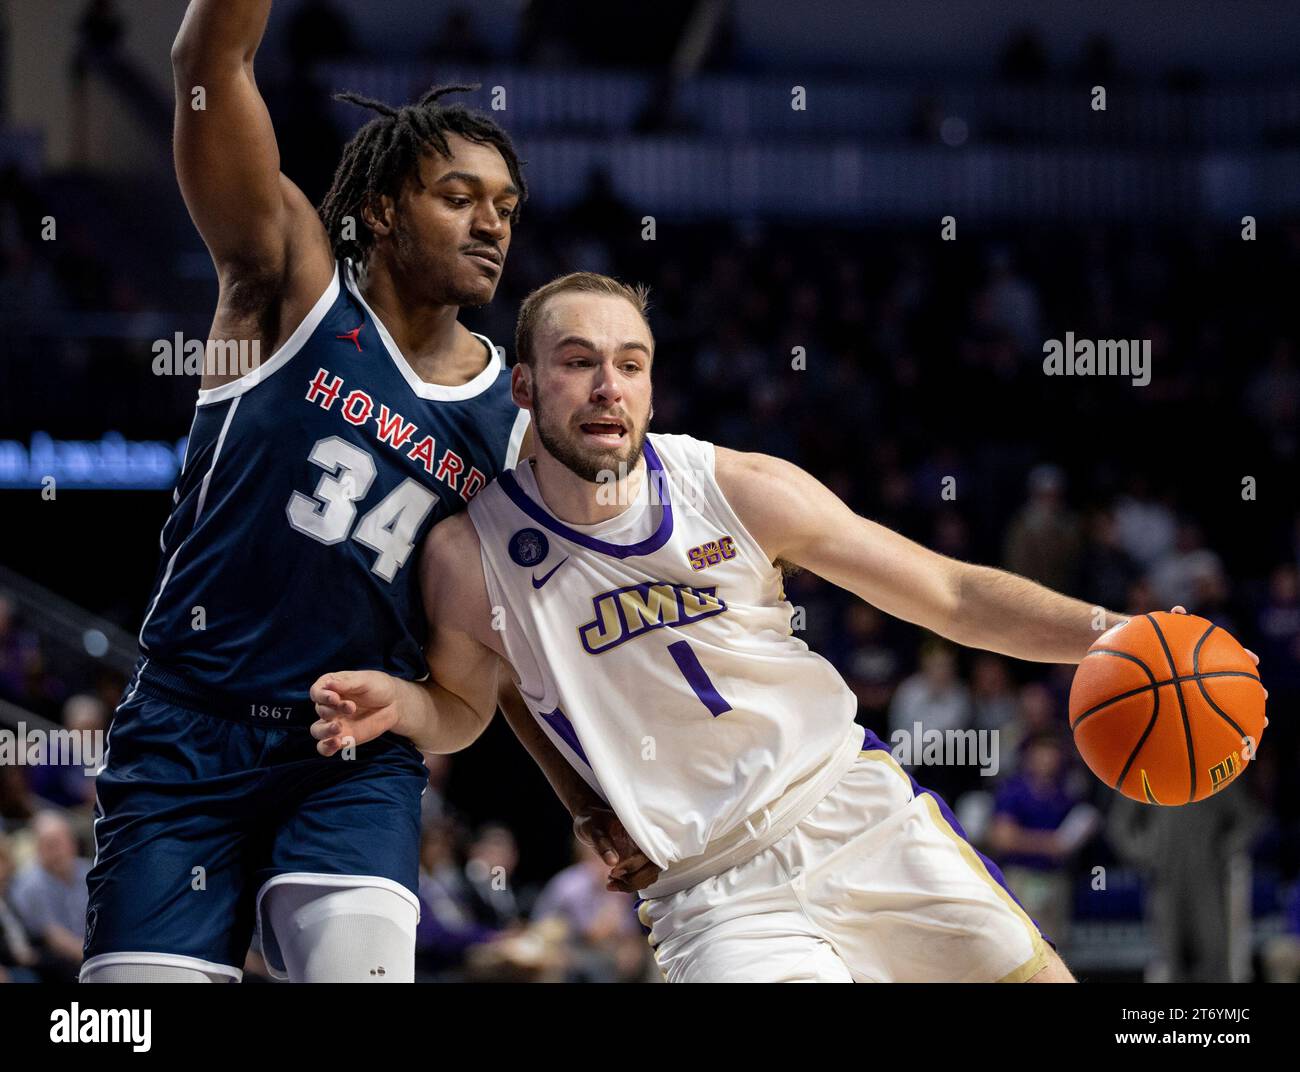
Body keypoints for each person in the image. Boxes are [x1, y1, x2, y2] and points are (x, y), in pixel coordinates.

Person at [308, 270, 1241, 982]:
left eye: (630, 364)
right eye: (578, 362)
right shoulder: (469, 557)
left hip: (856, 813)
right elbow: (473, 704)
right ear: (523, 385)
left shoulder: (740, 488)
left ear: (652, 388)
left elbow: (950, 595)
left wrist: (1114, 630)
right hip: (712, 893)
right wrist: (406, 706)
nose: (607, 386)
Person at [83, 2, 639, 985]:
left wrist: (582, 795)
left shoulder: (511, 420)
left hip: (352, 756)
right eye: (460, 197)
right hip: (186, 731)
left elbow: (496, 643)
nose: (492, 224)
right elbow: (209, 62)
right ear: (379, 208)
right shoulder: (288, 284)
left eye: (506, 207)